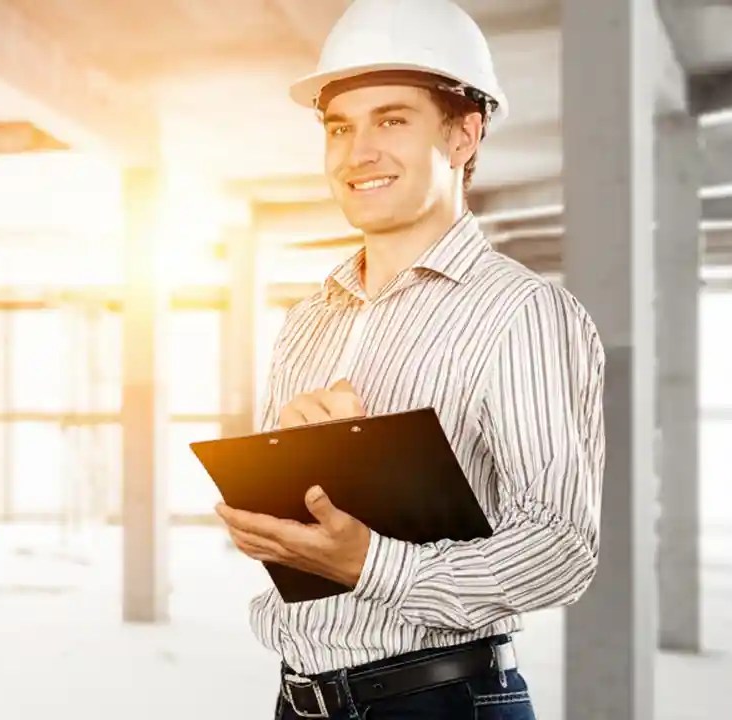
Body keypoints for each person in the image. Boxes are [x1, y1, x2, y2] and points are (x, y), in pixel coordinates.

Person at [212, 1, 606, 718]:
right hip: (299, 696)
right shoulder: (308, 320)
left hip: (441, 701)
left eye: (391, 120)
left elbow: (559, 548)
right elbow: (300, 540)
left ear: (464, 134)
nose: (357, 152)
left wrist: (367, 560)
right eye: (340, 127)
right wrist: (273, 517)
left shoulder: (521, 313)